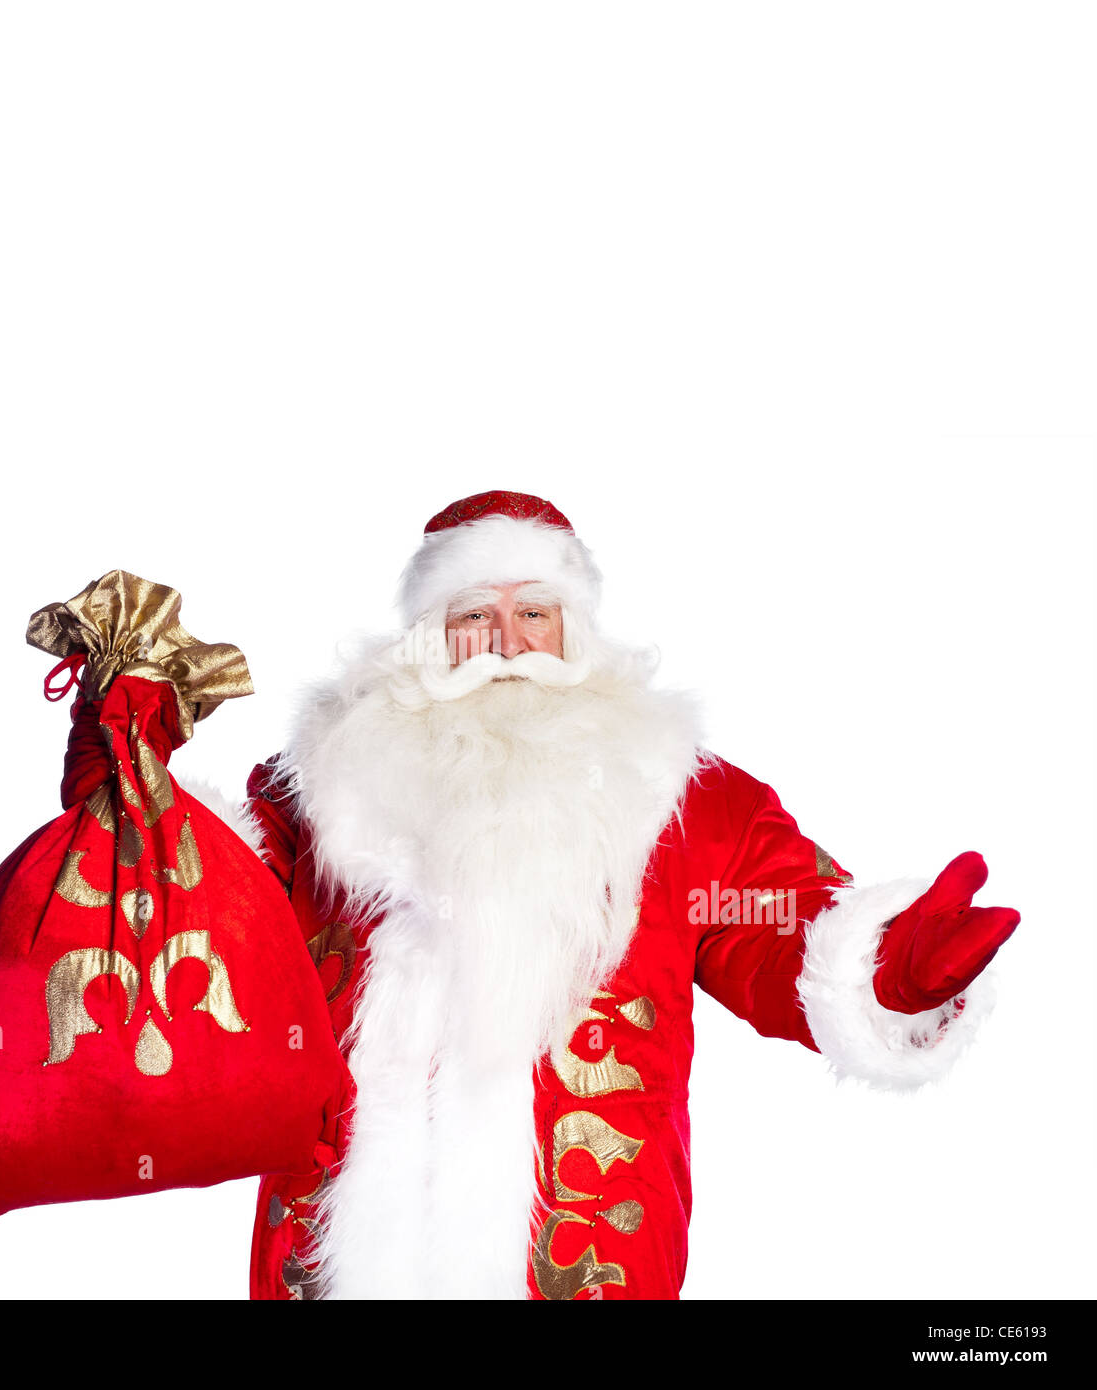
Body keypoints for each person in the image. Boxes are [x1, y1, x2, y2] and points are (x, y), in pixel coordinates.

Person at [236, 490, 1019, 1300]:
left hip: (590, 1260)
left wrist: (884, 971)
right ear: (428, 636)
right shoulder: (317, 795)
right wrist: (126, 776)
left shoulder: (678, 796)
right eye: (474, 615)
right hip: (334, 1260)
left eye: (535, 612)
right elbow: (204, 932)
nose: (508, 644)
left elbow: (778, 926)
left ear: (575, 629)